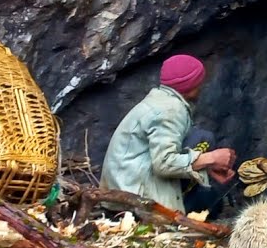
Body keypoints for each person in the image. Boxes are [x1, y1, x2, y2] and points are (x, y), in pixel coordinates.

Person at [101, 54, 237, 214]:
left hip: (125, 185)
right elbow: (164, 163)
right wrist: (211, 159)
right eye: (200, 81)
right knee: (210, 200)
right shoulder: (171, 110)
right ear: (191, 84)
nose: (202, 85)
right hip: (132, 203)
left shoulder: (161, 99)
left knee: (202, 137)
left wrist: (206, 168)